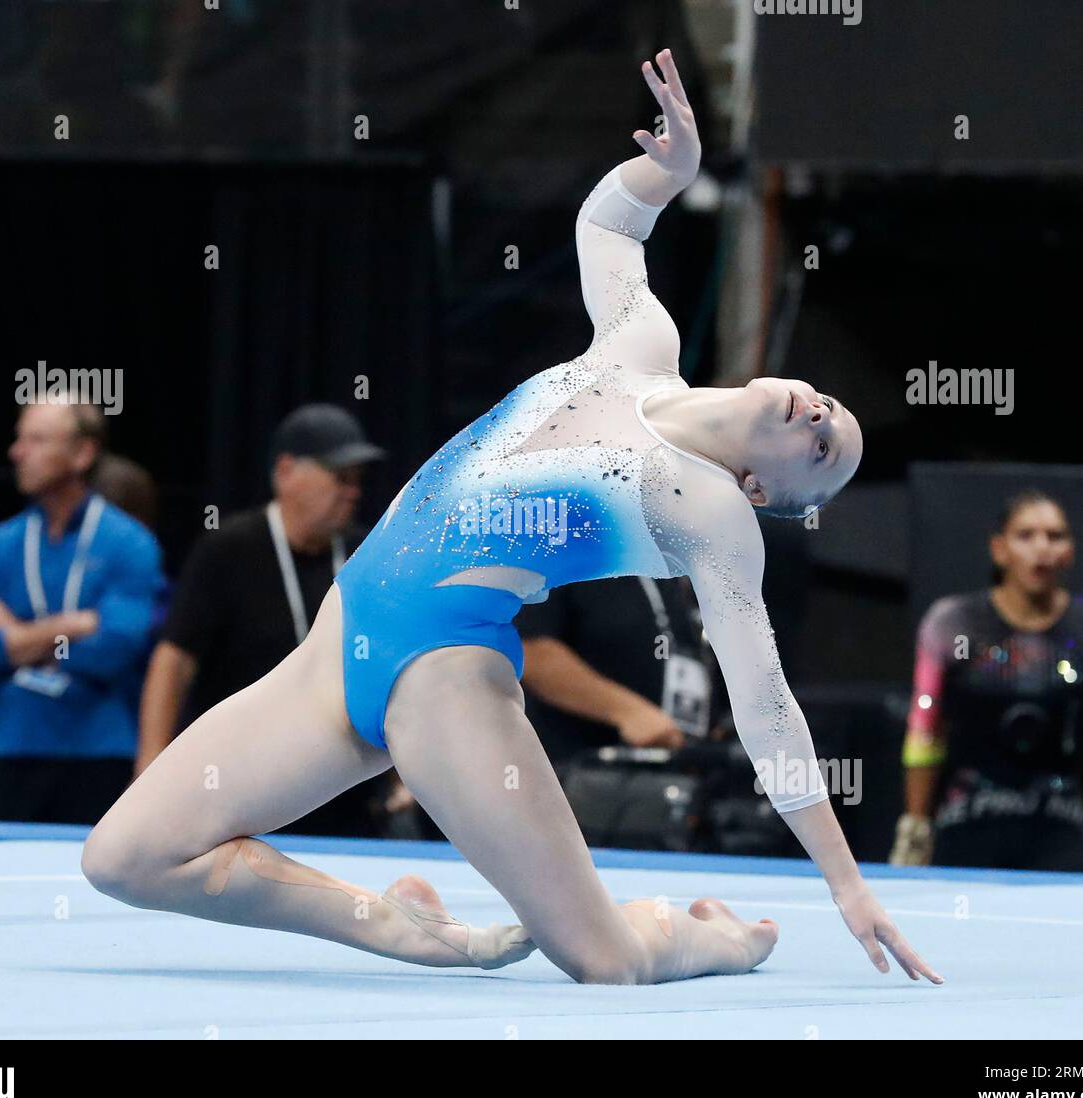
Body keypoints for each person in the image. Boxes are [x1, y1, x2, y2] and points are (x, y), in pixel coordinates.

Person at [82, 50, 941, 986]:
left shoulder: (710, 511)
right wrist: (667, 176)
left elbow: (766, 704)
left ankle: (715, 936)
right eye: (825, 405)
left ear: (766, 493)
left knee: (606, 963)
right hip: (343, 637)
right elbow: (608, 225)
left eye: (826, 449)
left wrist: (847, 884)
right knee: (124, 858)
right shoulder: (641, 342)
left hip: (442, 676)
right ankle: (394, 925)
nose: (818, 416)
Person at [136, 405, 394, 836]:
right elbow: (174, 659)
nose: (353, 492)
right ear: (286, 471)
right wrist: (149, 761)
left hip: (342, 780)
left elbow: (388, 665)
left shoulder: (365, 555)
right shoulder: (227, 550)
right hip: (240, 777)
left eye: (357, 480)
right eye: (340, 477)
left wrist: (400, 773)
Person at [890, 491, 1083, 873]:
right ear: (999, 549)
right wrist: (916, 830)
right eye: (1026, 535)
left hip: (1059, 817)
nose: (1042, 548)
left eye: (1055, 536)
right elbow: (926, 730)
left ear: (1070, 551)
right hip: (968, 814)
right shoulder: (953, 623)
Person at [0, 402, 164, 824]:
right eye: (19, 438)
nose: (17, 452)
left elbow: (114, 650)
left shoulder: (129, 542)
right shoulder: (1, 541)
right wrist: (71, 626)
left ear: (82, 454)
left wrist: (15, 636)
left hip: (97, 751)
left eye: (36, 440)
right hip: (13, 745)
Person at [517, 575, 730, 763]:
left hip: (682, 765)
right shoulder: (561, 546)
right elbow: (532, 650)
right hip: (588, 770)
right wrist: (627, 712)